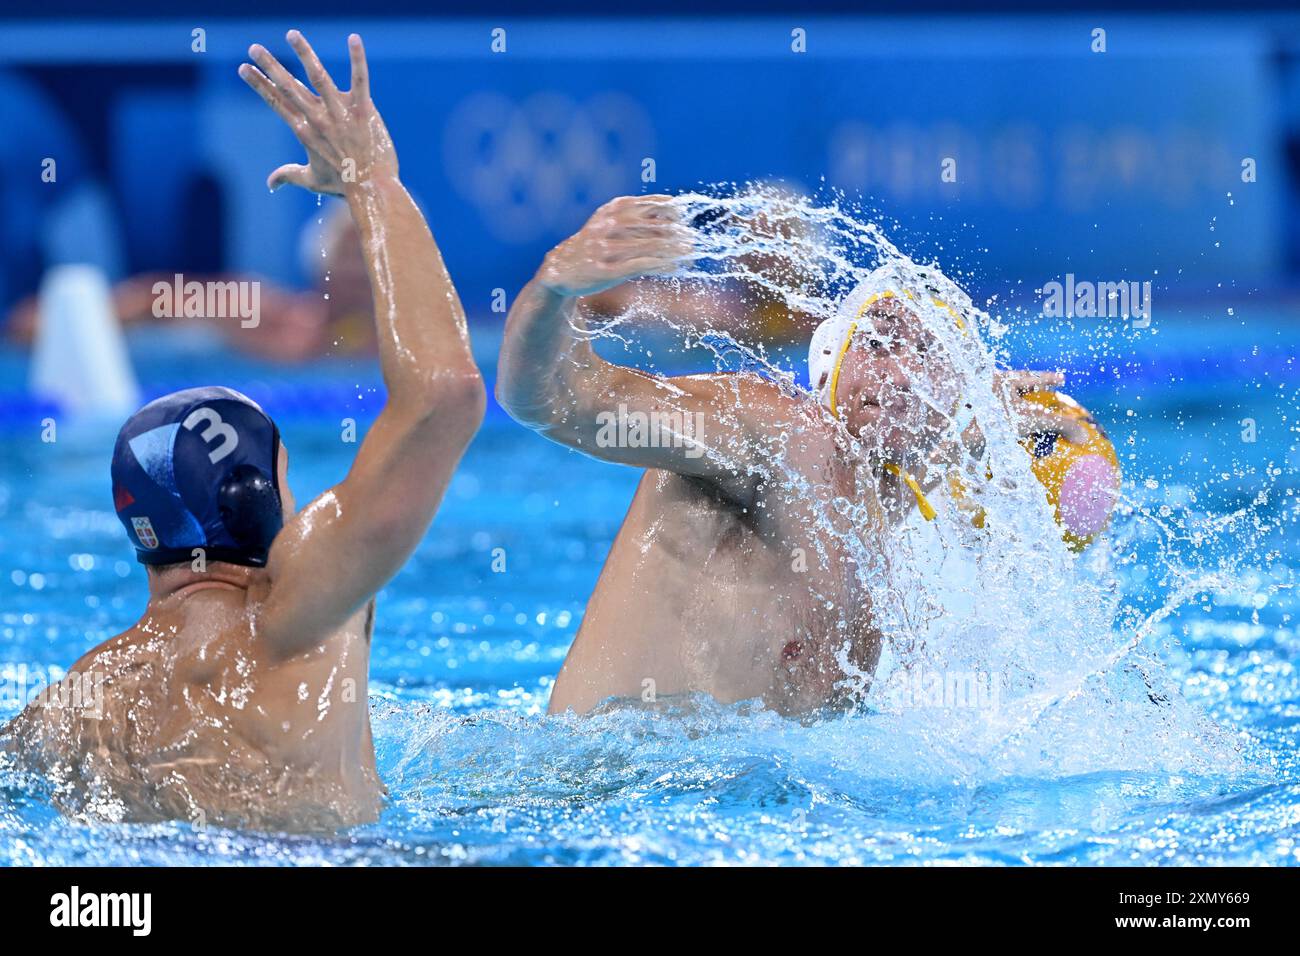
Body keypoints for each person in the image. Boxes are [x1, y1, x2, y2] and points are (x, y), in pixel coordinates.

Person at [0, 31, 484, 832]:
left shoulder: (69, 705)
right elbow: (445, 398)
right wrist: (371, 180)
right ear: (256, 500)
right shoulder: (304, 611)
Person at [496, 195, 1119, 716]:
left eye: (931, 359)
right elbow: (553, 399)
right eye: (877, 345)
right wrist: (554, 287)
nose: (901, 376)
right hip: (594, 798)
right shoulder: (775, 432)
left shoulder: (887, 541)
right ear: (829, 365)